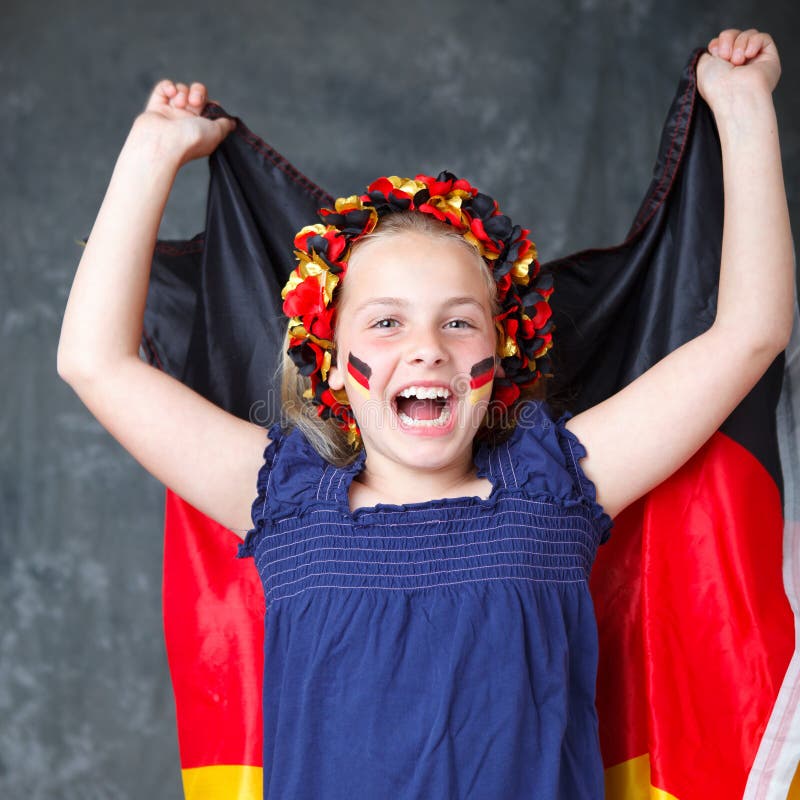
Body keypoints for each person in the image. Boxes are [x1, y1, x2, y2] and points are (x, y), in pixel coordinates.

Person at [57, 28, 793, 799]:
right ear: (333, 365)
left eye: (457, 321)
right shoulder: (283, 502)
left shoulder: (556, 489)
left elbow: (750, 334)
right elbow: (94, 362)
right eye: (385, 322)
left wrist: (742, 109)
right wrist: (153, 152)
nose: (426, 349)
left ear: (501, 354)